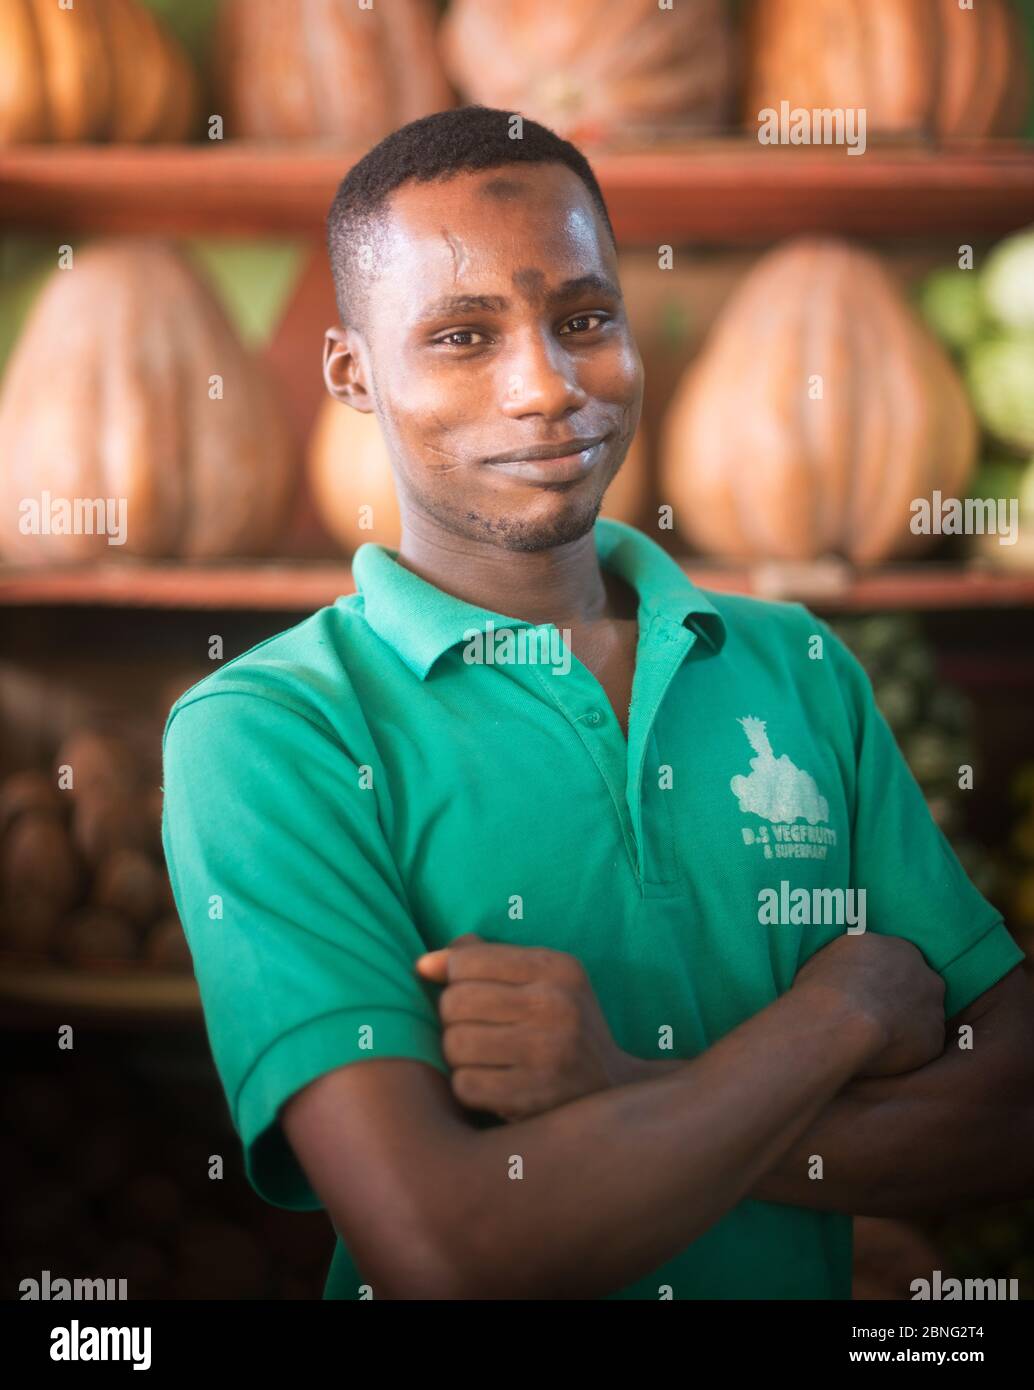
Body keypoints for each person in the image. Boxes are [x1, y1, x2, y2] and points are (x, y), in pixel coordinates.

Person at [161, 106, 1034, 1300]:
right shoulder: (267, 731)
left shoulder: (792, 664)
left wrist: (616, 1086)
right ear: (352, 375)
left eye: (583, 319)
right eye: (462, 335)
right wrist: (831, 1020)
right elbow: (447, 1246)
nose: (546, 386)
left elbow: (1009, 1107)